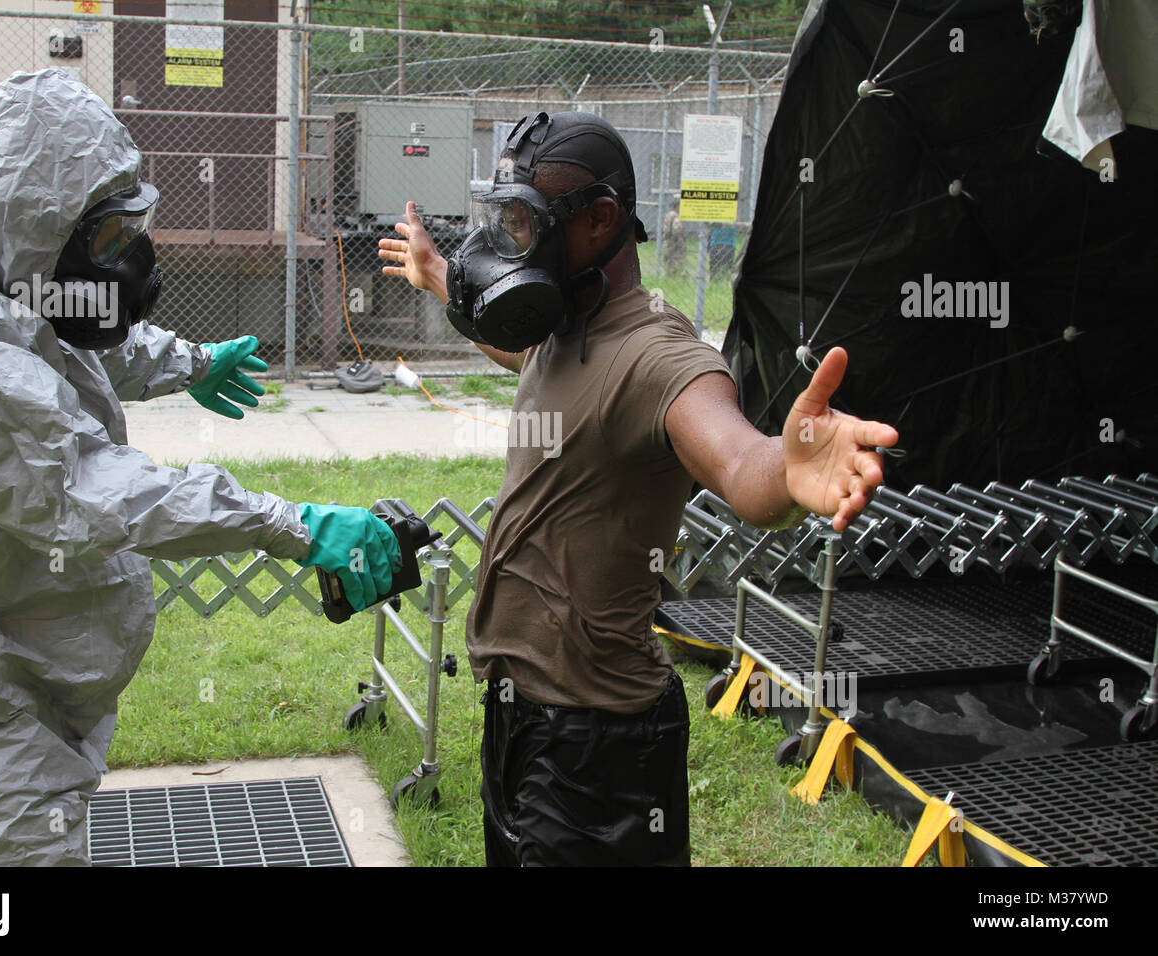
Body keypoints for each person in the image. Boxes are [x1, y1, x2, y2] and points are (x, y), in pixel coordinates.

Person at [0, 70, 399, 866]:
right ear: (37, 222)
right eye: (105, 240)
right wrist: (293, 523)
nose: (123, 262)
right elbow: (90, 489)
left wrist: (193, 360)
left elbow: (62, 341)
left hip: (5, 677)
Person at [378, 111, 899, 866]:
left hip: (599, 749)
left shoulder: (661, 355)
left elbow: (735, 460)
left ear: (598, 221)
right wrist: (434, 277)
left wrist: (786, 472)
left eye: (523, 222)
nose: (507, 243)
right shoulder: (561, 327)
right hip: (520, 719)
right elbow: (520, 360)